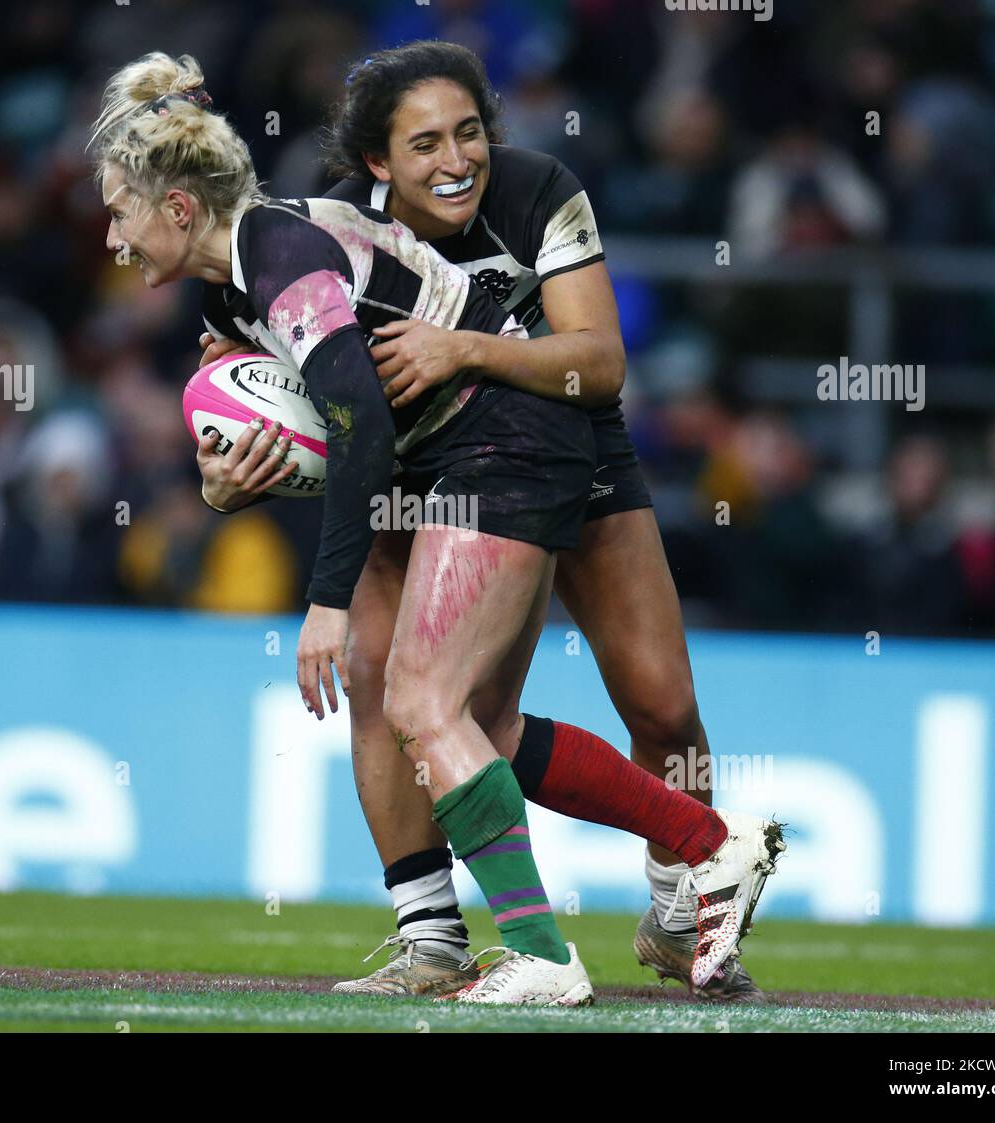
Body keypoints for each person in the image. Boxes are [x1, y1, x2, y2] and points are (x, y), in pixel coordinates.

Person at [191, 42, 782, 1001]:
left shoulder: (539, 188)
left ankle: (685, 912)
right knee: (403, 686)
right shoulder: (328, 226)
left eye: (468, 132)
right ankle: (431, 938)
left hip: (565, 444)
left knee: (661, 701)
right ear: (378, 165)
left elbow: (601, 362)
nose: (454, 159)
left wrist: (461, 348)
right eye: (423, 143)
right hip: (418, 468)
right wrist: (232, 479)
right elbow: (281, 394)